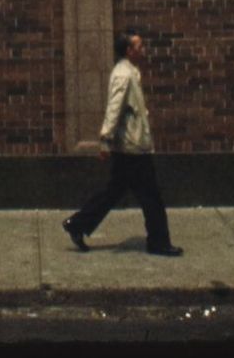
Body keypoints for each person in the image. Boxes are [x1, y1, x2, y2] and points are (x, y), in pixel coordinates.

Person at [62, 31, 181, 256]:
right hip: (133, 147)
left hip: (130, 146)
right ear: (129, 51)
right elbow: (114, 108)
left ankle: (78, 225)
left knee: (114, 192)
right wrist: (105, 139)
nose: (143, 50)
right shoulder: (124, 76)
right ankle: (159, 242)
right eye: (139, 46)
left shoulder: (128, 73)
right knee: (151, 197)